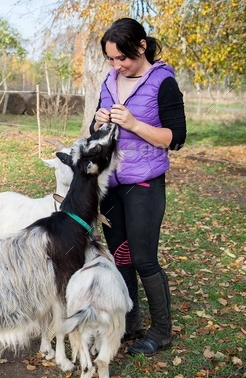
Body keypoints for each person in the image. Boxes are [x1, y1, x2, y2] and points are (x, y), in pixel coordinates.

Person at [90, 17, 186, 356]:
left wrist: (133, 123)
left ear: (141, 47)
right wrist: (98, 121)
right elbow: (96, 128)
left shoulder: (163, 82)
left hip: (144, 182)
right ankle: (131, 324)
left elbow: (175, 138)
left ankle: (161, 332)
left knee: (145, 259)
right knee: (121, 258)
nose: (117, 66)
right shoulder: (110, 80)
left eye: (123, 59)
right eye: (111, 59)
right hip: (111, 183)